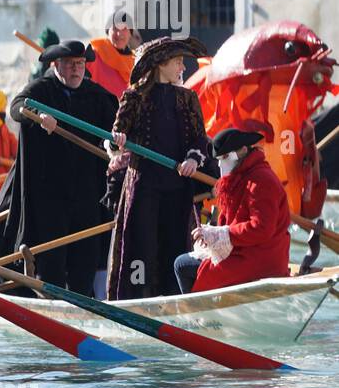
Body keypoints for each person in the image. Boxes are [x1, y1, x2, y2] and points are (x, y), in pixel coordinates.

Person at [0, 41, 118, 296]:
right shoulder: (42, 90)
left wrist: (115, 139)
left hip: (87, 193)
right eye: (70, 64)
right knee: (51, 261)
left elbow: (114, 127)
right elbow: (17, 107)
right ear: (56, 66)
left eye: (80, 64)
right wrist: (38, 114)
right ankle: (54, 303)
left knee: (85, 259)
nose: (76, 70)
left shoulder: (97, 95)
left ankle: (83, 306)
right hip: (50, 194)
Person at [106, 36, 211, 300]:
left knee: (175, 244)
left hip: (178, 186)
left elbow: (200, 139)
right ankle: (136, 298)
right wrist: (117, 142)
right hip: (144, 187)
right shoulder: (134, 96)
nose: (182, 68)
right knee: (142, 246)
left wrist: (192, 159)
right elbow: (116, 136)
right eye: (178, 62)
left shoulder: (188, 98)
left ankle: (174, 298)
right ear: (161, 64)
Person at [174, 128, 291, 293]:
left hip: (260, 258)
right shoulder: (240, 177)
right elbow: (229, 221)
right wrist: (212, 235)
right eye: (218, 159)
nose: (220, 164)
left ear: (243, 151)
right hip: (245, 252)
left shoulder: (261, 180)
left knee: (182, 264)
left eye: (225, 157)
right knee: (186, 260)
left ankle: (194, 315)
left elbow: (262, 228)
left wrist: (221, 234)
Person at [89, 9, 136, 99]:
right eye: (115, 28)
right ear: (108, 31)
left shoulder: (137, 60)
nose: (119, 34)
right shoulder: (94, 53)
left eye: (124, 29)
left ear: (130, 33)